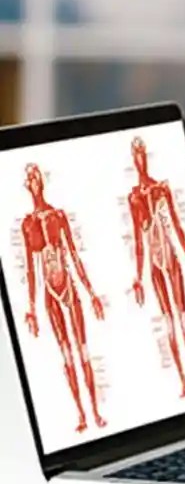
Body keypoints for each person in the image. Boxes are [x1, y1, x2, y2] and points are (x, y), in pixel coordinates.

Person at [21, 163, 107, 433]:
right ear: (27, 185)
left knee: (82, 352)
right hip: (50, 292)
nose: (34, 183)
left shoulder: (58, 216)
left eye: (37, 177)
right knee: (67, 355)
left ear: (42, 182)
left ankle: (95, 412)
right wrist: (32, 308)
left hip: (68, 287)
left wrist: (91, 293)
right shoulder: (28, 224)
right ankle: (82, 414)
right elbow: (31, 268)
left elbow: (72, 254)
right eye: (30, 179)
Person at [128, 136, 185, 398]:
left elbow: (176, 225)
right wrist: (138, 277)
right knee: (169, 323)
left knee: (183, 319)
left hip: (171, 259)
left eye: (142, 153)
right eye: (135, 154)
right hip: (154, 264)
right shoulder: (134, 199)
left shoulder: (162, 189)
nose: (140, 159)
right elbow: (139, 240)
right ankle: (183, 381)